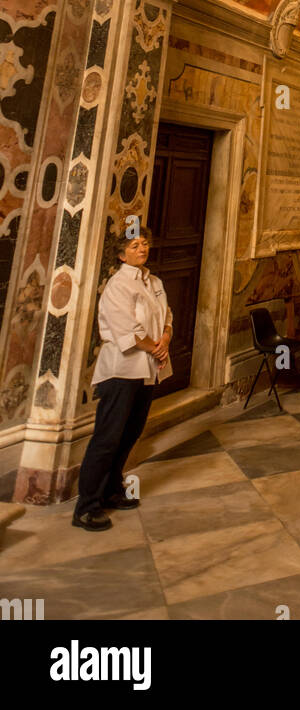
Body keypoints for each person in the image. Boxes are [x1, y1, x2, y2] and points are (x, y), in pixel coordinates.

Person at [72, 228, 172, 531]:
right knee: (108, 436)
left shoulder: (155, 282)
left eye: (145, 243)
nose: (142, 248)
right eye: (134, 245)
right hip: (121, 369)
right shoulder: (118, 285)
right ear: (121, 254)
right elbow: (125, 329)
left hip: (147, 368)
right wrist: (154, 347)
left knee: (131, 432)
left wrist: (166, 338)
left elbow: (167, 316)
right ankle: (86, 506)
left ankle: (112, 490)